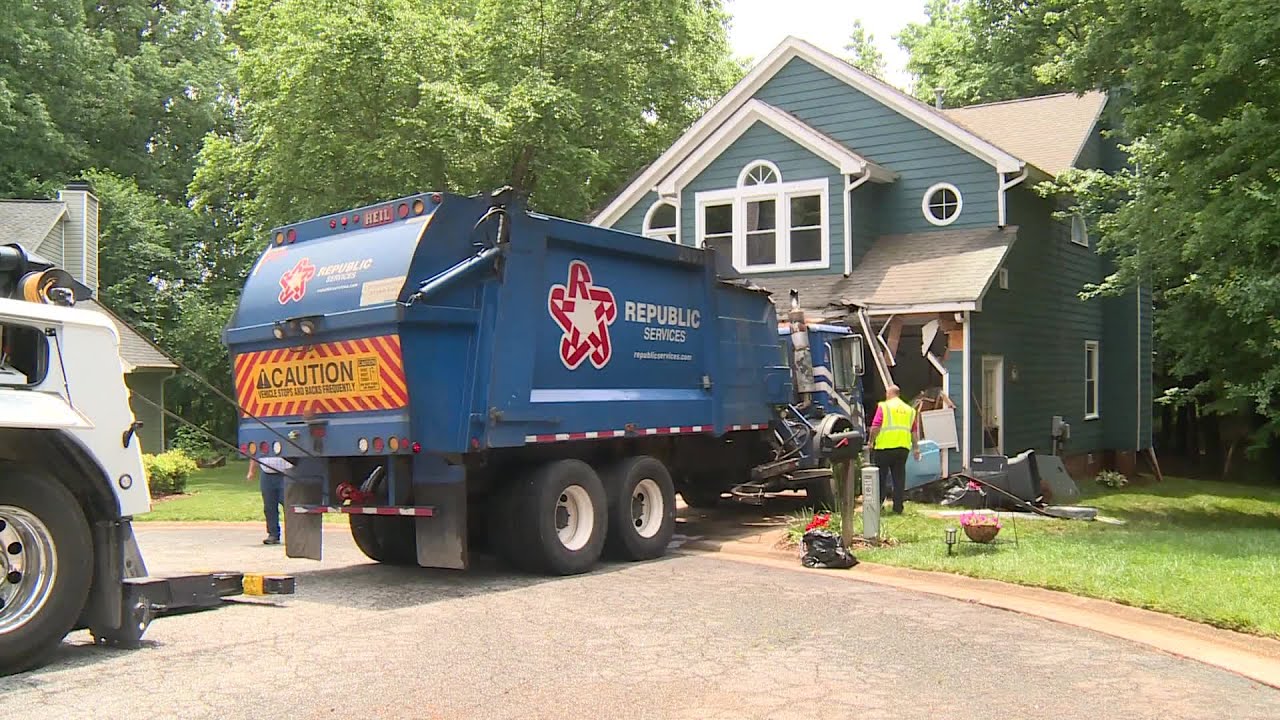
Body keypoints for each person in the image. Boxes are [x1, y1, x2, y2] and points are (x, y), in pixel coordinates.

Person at [867, 385, 920, 514]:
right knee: (899, 478)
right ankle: (898, 507)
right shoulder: (909, 410)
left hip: (884, 448)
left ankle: (879, 505)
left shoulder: (884, 406)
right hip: (902, 449)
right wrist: (916, 448)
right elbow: (913, 431)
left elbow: (876, 425)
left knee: (881, 477)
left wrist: (871, 441)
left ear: (889, 394)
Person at [247, 455, 294, 545]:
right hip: (267, 475)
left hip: (286, 474)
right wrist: (251, 471)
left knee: (288, 505)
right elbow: (254, 454)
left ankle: (292, 535)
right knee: (269, 507)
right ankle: (273, 535)